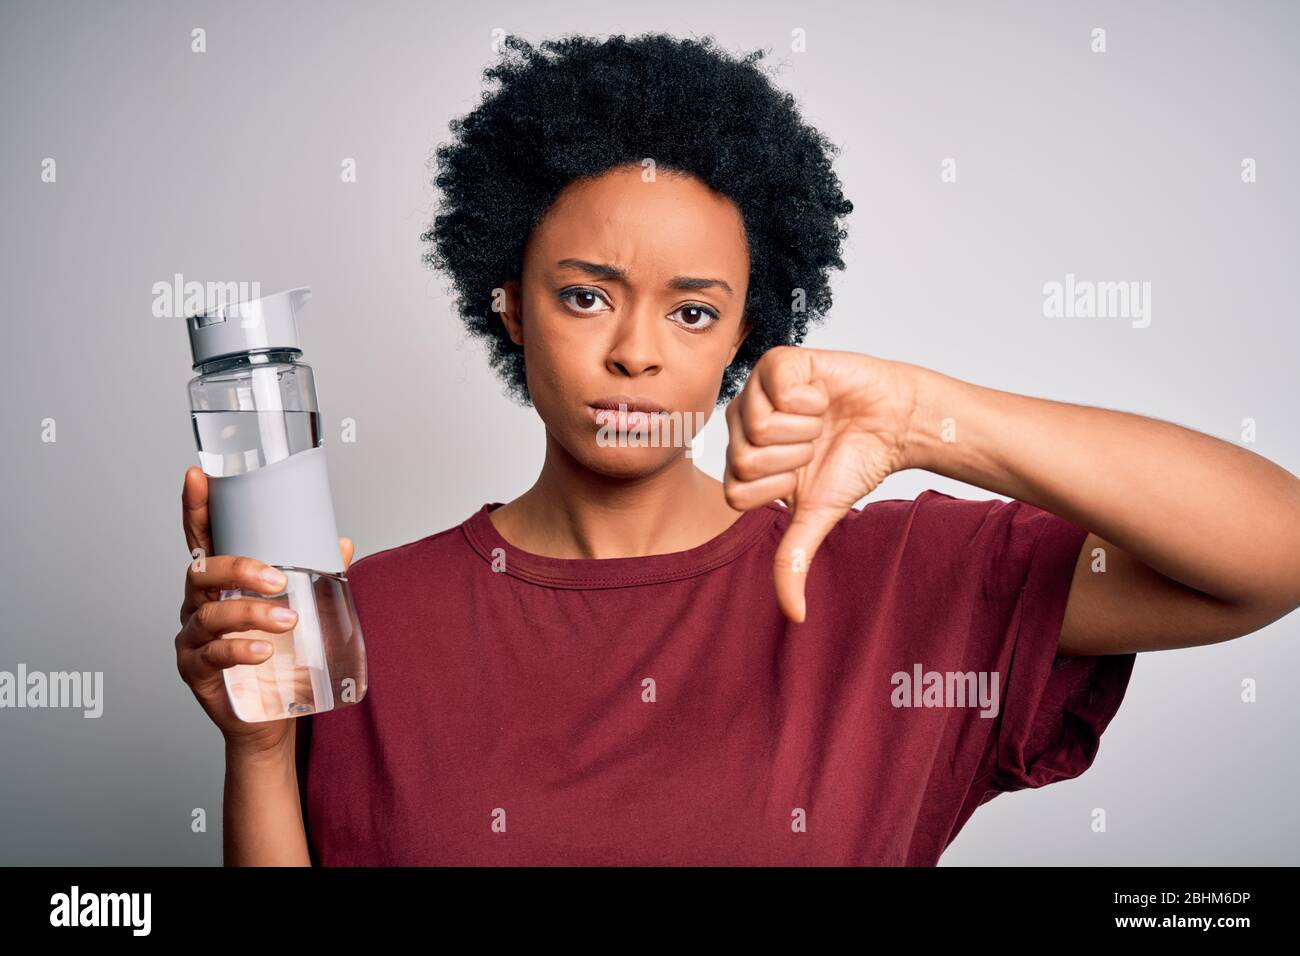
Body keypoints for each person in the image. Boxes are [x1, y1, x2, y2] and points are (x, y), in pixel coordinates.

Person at [174, 33, 1300, 866]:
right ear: (511, 303)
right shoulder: (361, 617)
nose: (635, 354)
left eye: (694, 312)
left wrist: (926, 418)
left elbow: (1274, 550)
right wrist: (262, 753)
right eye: (585, 295)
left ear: (748, 331)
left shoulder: (893, 586)